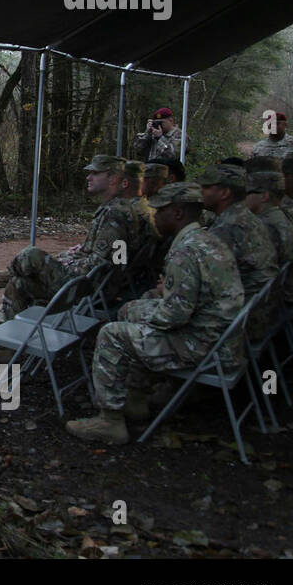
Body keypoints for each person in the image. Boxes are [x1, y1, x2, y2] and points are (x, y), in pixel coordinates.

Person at [66, 182, 244, 445]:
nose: (154, 216)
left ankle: (110, 421)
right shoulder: (208, 239)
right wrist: (141, 308)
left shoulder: (186, 251)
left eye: (160, 211)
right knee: (131, 309)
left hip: (203, 346)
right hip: (220, 337)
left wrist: (143, 314)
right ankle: (135, 396)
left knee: (111, 333)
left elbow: (174, 316)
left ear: (178, 213)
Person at [0, 155, 137, 350]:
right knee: (18, 284)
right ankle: (2, 349)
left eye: (95, 173)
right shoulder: (118, 209)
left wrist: (69, 263)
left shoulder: (116, 214)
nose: (89, 177)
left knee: (32, 254)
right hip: (94, 284)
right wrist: (77, 254)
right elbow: (111, 256)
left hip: (85, 288)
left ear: (113, 178)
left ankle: (10, 271)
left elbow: (103, 263)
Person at [197, 163, 278, 343]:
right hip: (257, 310)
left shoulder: (229, 226)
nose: (201, 191)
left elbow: (204, 285)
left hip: (241, 321)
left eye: (207, 187)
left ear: (225, 193)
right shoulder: (243, 217)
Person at [244, 166, 293, 325]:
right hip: (278, 299)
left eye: (248, 193)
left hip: (263, 308)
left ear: (264, 196)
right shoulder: (280, 218)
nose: (243, 198)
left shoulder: (266, 226)